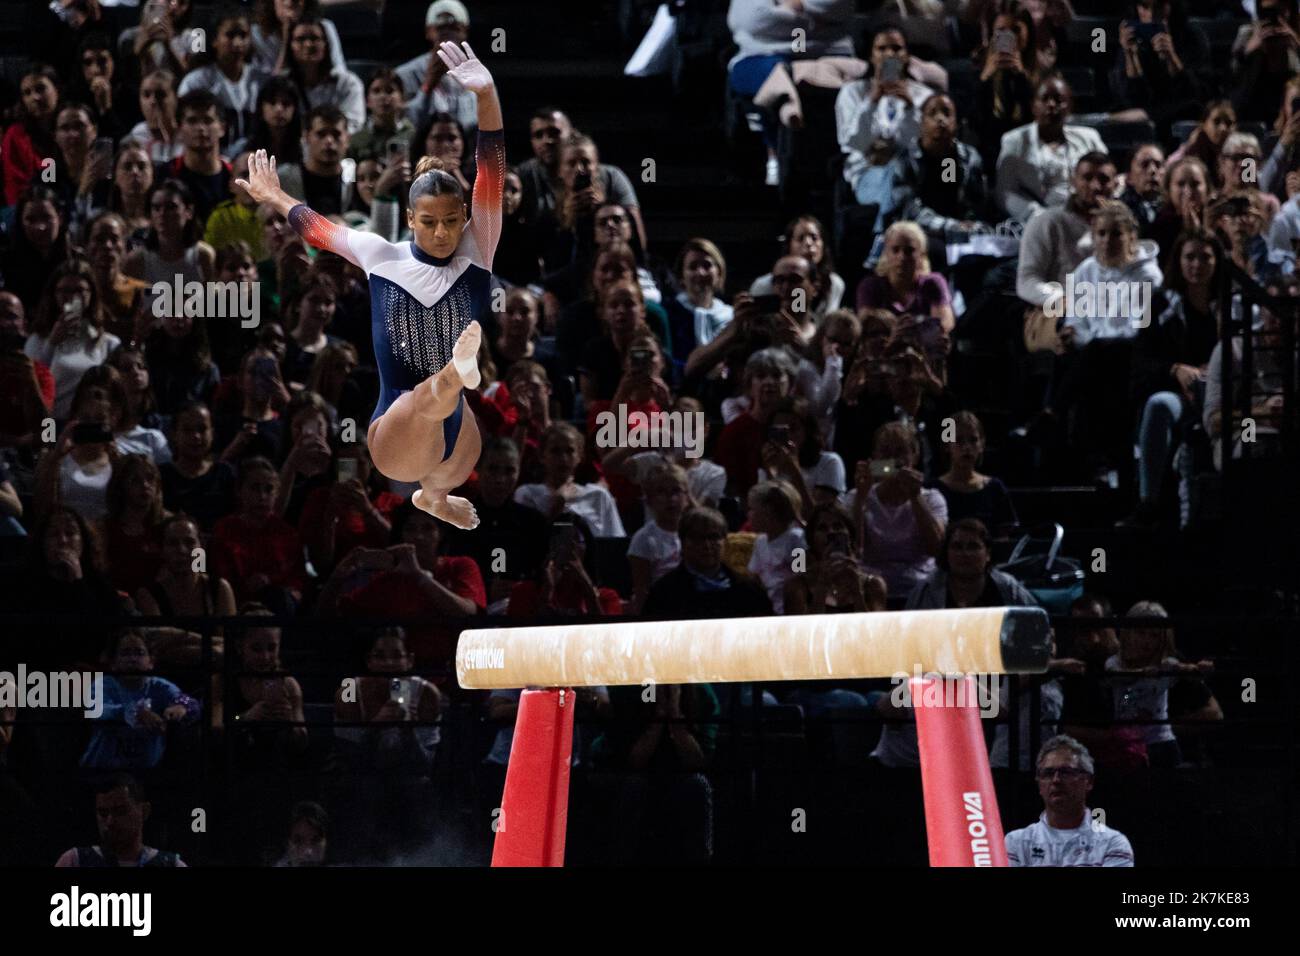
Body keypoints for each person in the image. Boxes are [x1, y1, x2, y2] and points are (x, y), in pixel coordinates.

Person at [237, 39, 503, 531]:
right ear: (410, 219)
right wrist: (275, 196)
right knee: (432, 393)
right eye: (429, 222)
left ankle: (435, 497)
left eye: (451, 221)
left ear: (465, 216)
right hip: (396, 430)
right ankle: (455, 372)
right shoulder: (383, 255)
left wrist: (486, 96)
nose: (442, 233)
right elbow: (321, 230)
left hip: (457, 440)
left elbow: (492, 172)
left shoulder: (478, 247)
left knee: (455, 454)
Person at [1123, 229, 1223, 528]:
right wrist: (1174, 369)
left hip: (1221, 393)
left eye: (1205, 257)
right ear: (1178, 261)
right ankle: (1147, 502)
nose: (1197, 265)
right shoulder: (1159, 303)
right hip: (1181, 393)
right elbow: (1140, 360)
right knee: (1158, 406)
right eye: (1189, 257)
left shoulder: (1231, 303)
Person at [440, 436, 548, 612]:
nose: (500, 479)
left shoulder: (533, 522)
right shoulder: (458, 519)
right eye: (493, 469)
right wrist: (485, 588)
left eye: (509, 471)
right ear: (479, 469)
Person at [1106, 600, 1219, 768]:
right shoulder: (1115, 662)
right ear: (1129, 632)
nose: (1146, 641)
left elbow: (1187, 671)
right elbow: (1118, 678)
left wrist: (1201, 668)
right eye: (1141, 633)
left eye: (1153, 635)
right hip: (1126, 742)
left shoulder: (1167, 664)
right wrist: (1143, 673)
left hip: (1161, 742)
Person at [835, 24, 934, 202]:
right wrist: (872, 101)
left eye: (896, 48)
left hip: (913, 171)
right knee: (891, 183)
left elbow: (922, 145)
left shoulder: (924, 96)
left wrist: (910, 107)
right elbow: (852, 142)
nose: (889, 55)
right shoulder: (851, 92)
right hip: (867, 172)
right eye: (881, 49)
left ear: (907, 56)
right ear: (872, 56)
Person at [1004, 736, 1135, 866]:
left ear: (1088, 781)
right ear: (1039, 785)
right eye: (1048, 773)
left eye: (1066, 772)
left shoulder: (1112, 843)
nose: (1056, 780)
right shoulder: (1015, 842)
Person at [851, 421, 947, 600]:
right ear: (875, 457)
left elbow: (937, 548)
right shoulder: (856, 496)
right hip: (870, 588)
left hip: (920, 586)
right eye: (886, 452)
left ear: (915, 456)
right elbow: (854, 550)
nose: (894, 460)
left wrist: (915, 497)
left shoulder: (932, 498)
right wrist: (860, 500)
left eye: (900, 452)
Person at [80, 629, 200, 771]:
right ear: (113, 662)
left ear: (151, 662)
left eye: (139, 653)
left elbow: (190, 703)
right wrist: (135, 712)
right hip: (102, 771)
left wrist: (181, 707)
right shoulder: (103, 685)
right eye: (125, 653)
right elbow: (96, 710)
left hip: (147, 771)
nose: (133, 659)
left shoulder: (160, 686)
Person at [995, 74, 1107, 223]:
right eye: (1045, 99)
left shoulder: (1089, 138)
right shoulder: (1014, 140)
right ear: (1034, 106)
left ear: (1070, 106)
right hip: (1033, 219)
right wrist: (1038, 216)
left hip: (1084, 215)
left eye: (1059, 100)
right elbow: (1005, 193)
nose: (1051, 105)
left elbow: (1107, 178)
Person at [24, 260, 122, 423]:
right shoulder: (38, 340)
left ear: (91, 294)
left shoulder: (107, 343)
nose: (71, 297)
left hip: (92, 424)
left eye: (79, 290)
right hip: (50, 422)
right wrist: (52, 343)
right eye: (64, 291)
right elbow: (31, 385)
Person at [211, 456, 307, 610]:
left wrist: (273, 583)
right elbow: (218, 577)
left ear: (276, 493)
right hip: (236, 607)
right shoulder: (224, 530)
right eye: (255, 488)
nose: (262, 497)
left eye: (269, 490)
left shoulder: (287, 533)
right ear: (240, 491)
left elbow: (298, 581)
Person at [176, 8, 267, 149]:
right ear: (215, 40)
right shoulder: (196, 82)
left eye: (243, 36)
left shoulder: (262, 81)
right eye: (230, 35)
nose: (237, 43)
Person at [514, 422, 625, 537]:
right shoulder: (527, 494)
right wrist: (558, 505)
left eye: (570, 451)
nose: (563, 458)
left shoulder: (598, 495)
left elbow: (614, 543)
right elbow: (526, 542)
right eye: (555, 451)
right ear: (542, 456)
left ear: (580, 456)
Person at [55, 773, 186, 867]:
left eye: (120, 811)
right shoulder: (74, 861)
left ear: (144, 811)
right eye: (103, 813)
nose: (110, 822)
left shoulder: (172, 864)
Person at [397, 1, 478, 133]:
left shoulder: (477, 74)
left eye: (454, 28)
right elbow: (404, 125)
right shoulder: (405, 74)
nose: (447, 34)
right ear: (428, 32)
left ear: (465, 32)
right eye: (440, 28)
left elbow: (478, 126)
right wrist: (428, 85)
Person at [157, 90, 234, 227]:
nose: (201, 128)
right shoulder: (166, 174)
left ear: (222, 128)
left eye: (208, 120)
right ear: (180, 128)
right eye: (192, 121)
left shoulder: (234, 177)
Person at [934, 411, 1018, 532]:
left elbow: (1004, 538)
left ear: (982, 444)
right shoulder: (933, 489)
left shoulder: (995, 489)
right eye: (959, 440)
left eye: (973, 440)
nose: (967, 447)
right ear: (947, 445)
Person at [749, 216, 845, 321]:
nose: (808, 243)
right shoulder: (765, 285)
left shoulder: (834, 284)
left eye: (814, 238)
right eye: (800, 238)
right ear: (789, 245)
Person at [159, 402, 237, 530]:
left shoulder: (225, 474)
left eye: (202, 429)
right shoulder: (161, 476)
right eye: (187, 430)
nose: (196, 436)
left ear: (212, 433)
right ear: (174, 434)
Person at [282, 15, 365, 135]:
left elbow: (354, 124)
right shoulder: (282, 85)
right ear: (290, 46)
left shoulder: (348, 83)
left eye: (314, 38)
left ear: (326, 44)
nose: (308, 45)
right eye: (301, 39)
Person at [626, 462, 688, 612]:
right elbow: (642, 591)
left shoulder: (695, 531)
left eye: (676, 491)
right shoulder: (644, 539)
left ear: (686, 497)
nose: (671, 498)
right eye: (661, 492)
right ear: (649, 499)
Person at [2, 65, 61, 207]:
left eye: (41, 89)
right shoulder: (16, 136)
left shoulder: (72, 126)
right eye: (27, 93)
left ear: (57, 89)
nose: (35, 97)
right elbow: (15, 186)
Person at [1166, 99, 1236, 191]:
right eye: (1216, 122)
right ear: (1204, 125)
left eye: (1228, 123)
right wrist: (1189, 148)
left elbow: (1251, 185)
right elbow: (1168, 172)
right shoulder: (1191, 149)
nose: (1223, 128)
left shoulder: (1246, 154)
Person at [125, 69, 183, 166]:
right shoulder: (135, 137)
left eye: (160, 95)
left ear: (176, 98)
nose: (153, 101)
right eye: (146, 95)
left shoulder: (188, 135)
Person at [1118, 142, 1166, 238]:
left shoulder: (1173, 208)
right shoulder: (1120, 211)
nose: (1153, 170)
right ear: (1129, 177)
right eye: (1144, 165)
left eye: (1158, 165)